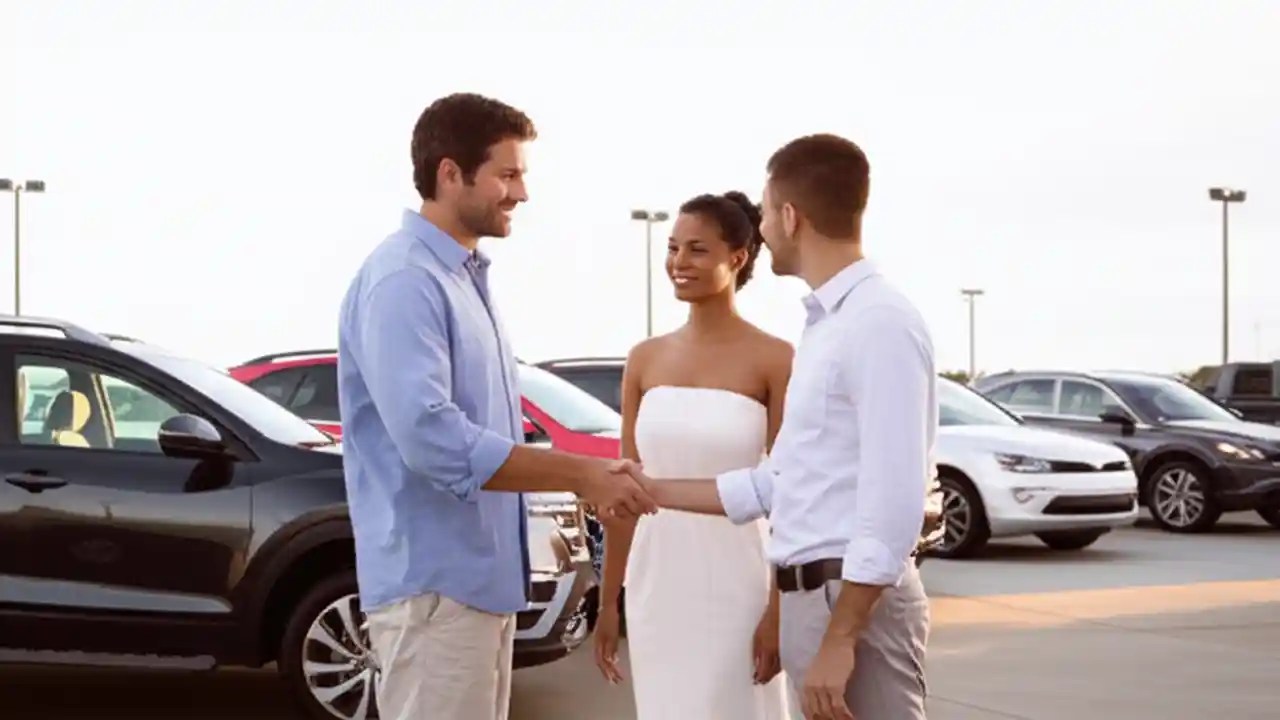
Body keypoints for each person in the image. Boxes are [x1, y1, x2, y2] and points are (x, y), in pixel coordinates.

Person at [336, 93, 657, 720]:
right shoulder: (407, 281)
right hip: (436, 591)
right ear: (450, 173)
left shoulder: (462, 278)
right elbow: (432, 439)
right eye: (508, 174)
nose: (522, 193)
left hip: (477, 589)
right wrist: (581, 474)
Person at [623, 134, 936, 720]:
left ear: (790, 217)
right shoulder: (825, 327)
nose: (761, 228)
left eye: (765, 213)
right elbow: (776, 485)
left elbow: (896, 498)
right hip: (811, 601)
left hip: (849, 606)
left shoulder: (879, 322)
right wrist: (644, 487)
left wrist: (841, 637)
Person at [592, 191, 794, 718]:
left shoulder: (776, 359)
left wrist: (778, 611)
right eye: (674, 248)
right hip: (657, 583)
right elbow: (624, 494)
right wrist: (608, 601)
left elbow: (793, 496)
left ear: (739, 257)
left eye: (697, 250)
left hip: (739, 585)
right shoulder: (644, 358)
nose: (679, 263)